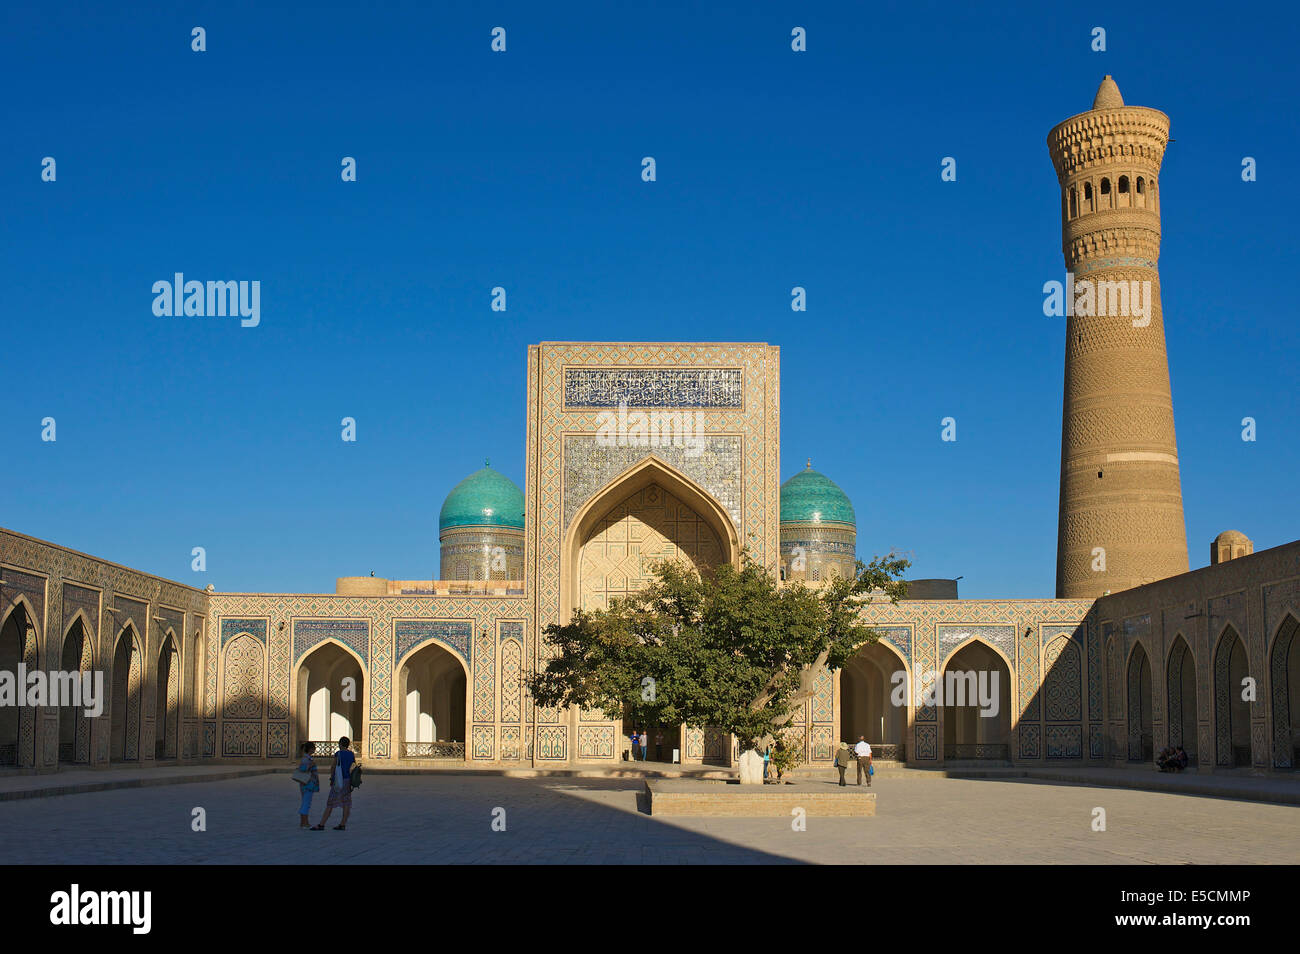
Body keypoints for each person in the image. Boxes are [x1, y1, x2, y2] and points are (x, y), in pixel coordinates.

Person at [312, 736, 355, 830]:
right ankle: (343, 824)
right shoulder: (351, 754)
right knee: (346, 803)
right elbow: (352, 767)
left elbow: (333, 767)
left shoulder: (338, 754)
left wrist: (332, 778)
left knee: (330, 802)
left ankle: (322, 824)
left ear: (340, 744)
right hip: (347, 780)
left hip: (338, 780)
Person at [296, 741, 319, 828]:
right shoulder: (306, 759)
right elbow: (302, 769)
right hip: (307, 784)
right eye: (313, 748)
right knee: (306, 803)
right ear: (310, 749)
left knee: (306, 802)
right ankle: (304, 822)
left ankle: (305, 822)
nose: (314, 750)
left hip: (307, 784)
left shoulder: (307, 758)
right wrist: (310, 765)